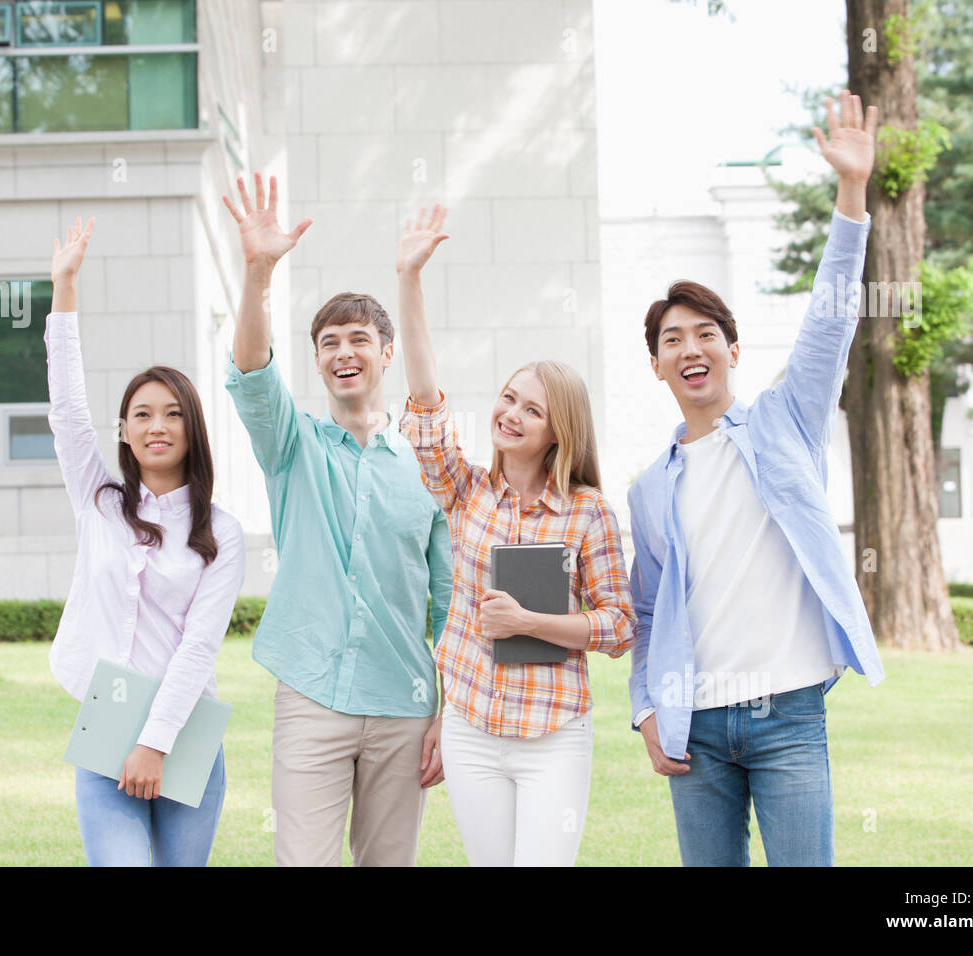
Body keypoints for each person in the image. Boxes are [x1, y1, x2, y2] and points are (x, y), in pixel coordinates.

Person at [627, 91, 885, 866]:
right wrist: (647, 709)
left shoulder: (786, 422)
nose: (691, 346)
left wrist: (851, 194)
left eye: (707, 332)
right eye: (674, 338)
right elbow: (645, 611)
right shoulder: (649, 488)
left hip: (789, 714)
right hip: (695, 726)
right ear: (658, 365)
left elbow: (831, 319)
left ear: (731, 351)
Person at [220, 174, 453, 867]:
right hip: (312, 697)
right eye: (328, 342)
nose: (343, 352)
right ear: (318, 362)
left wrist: (447, 708)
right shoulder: (291, 445)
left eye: (358, 339)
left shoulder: (428, 469)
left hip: (402, 701)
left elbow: (448, 601)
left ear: (387, 354)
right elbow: (252, 372)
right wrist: (259, 272)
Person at [395, 204, 638, 867]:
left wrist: (533, 620)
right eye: (508, 398)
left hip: (554, 733)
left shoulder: (587, 513)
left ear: (558, 431)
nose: (511, 414)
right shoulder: (465, 491)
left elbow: (619, 627)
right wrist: (409, 279)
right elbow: (424, 406)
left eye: (533, 409)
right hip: (472, 727)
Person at [44, 216, 246, 866]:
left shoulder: (222, 532)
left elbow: (197, 650)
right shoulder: (99, 503)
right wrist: (64, 288)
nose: (157, 426)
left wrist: (155, 743)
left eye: (173, 412)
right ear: (124, 432)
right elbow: (68, 409)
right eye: (141, 414)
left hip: (185, 734)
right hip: (107, 726)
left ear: (193, 430)